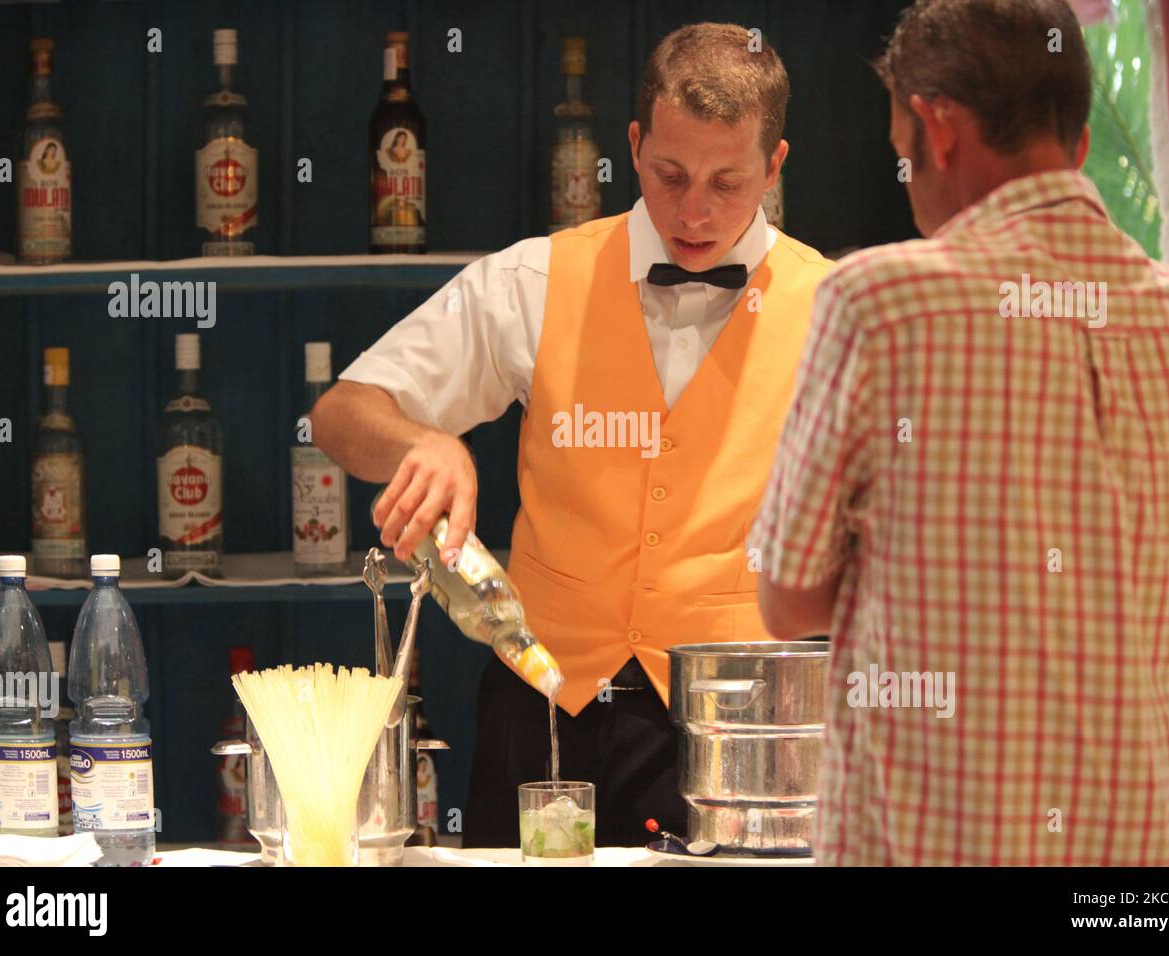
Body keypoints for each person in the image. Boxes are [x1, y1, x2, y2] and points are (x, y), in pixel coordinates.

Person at [312, 22, 833, 848]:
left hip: (742, 734)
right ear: (631, 147)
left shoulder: (838, 311)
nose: (693, 211)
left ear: (774, 167)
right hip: (543, 708)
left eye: (727, 183)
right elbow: (341, 413)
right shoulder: (535, 280)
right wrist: (423, 444)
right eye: (668, 174)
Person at [754, 0, 1169, 866]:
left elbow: (787, 598)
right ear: (1080, 146)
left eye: (904, 155)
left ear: (940, 130)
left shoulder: (881, 302)